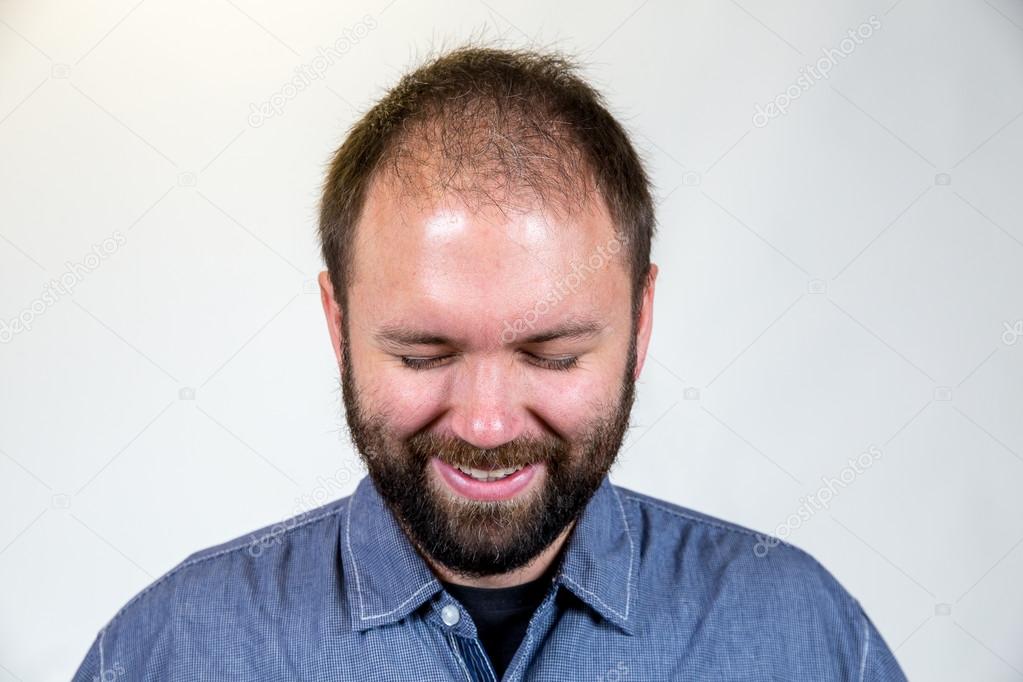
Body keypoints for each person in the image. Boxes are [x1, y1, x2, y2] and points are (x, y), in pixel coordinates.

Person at [72, 43, 907, 681]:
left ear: (640, 323)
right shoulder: (169, 649)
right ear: (338, 322)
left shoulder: (804, 634)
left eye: (552, 355)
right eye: (421, 354)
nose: (485, 423)